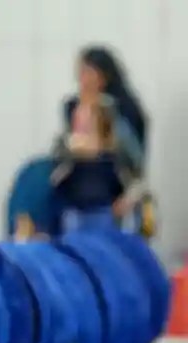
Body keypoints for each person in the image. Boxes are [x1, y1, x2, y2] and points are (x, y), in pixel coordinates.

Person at [51, 46, 149, 230]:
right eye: (80, 73)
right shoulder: (72, 108)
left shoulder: (117, 113)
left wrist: (129, 198)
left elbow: (136, 164)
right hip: (74, 202)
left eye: (89, 72)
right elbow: (58, 159)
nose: (83, 79)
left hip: (107, 205)